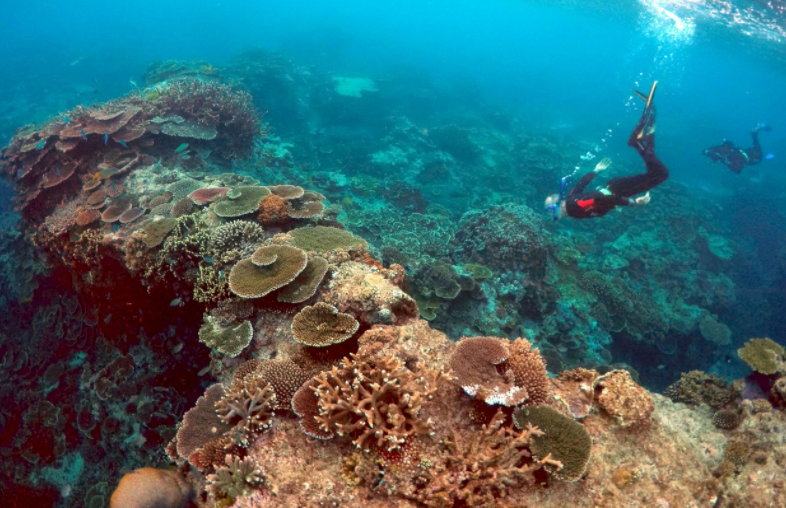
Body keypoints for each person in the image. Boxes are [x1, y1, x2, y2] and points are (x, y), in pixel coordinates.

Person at [545, 81, 668, 220]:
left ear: (559, 204)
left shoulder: (574, 207)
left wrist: (634, 203)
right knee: (657, 173)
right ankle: (643, 138)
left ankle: (641, 140)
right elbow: (581, 184)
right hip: (614, 187)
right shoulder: (570, 202)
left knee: (661, 174)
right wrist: (595, 171)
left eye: (550, 209)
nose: (551, 214)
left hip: (617, 190)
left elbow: (601, 199)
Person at [702, 123, 772, 174]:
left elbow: (737, 169)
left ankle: (754, 134)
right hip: (743, 154)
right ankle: (754, 134)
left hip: (745, 155)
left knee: (757, 154)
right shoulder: (717, 152)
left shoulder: (718, 151)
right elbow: (737, 169)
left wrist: (726, 161)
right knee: (756, 152)